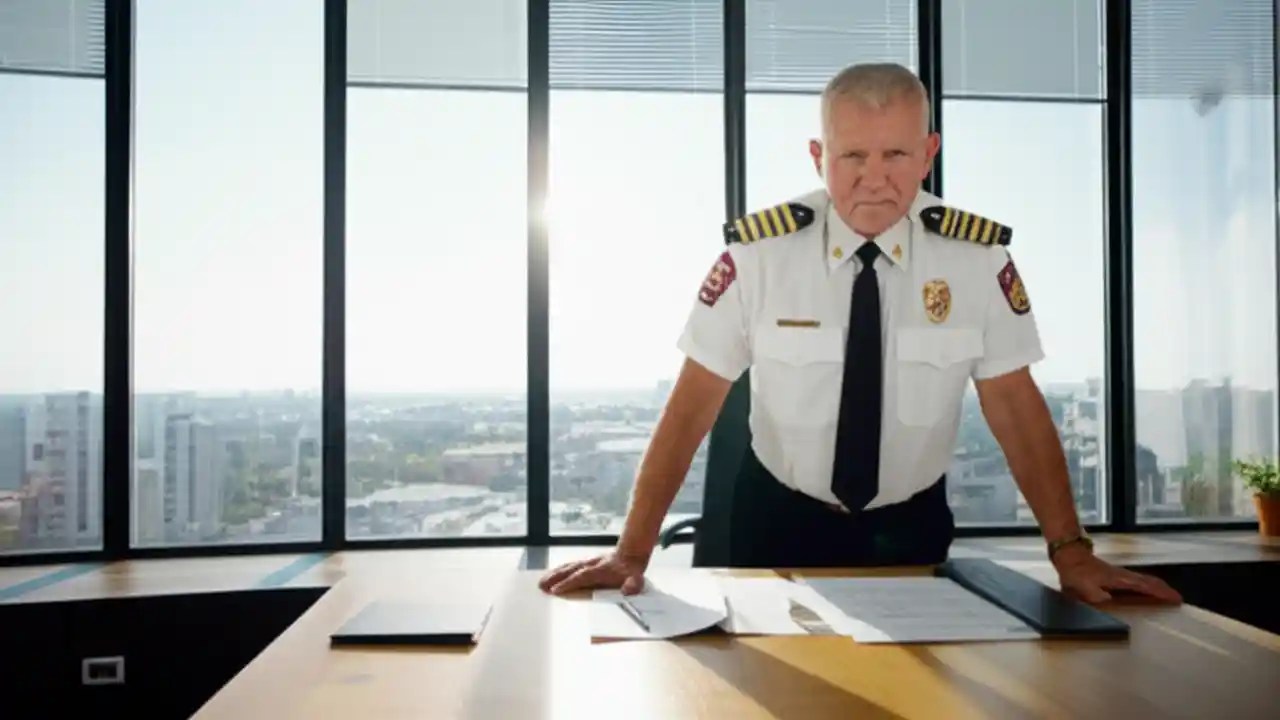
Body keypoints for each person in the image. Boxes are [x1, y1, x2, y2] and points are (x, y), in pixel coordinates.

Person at [539, 62, 1181, 605]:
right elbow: (689, 407)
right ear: (820, 157)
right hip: (776, 525)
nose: (874, 178)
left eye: (896, 154)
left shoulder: (976, 259)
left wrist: (1070, 553)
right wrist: (632, 552)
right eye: (853, 155)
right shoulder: (761, 256)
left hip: (910, 528)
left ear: (929, 153)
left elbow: (1015, 406)